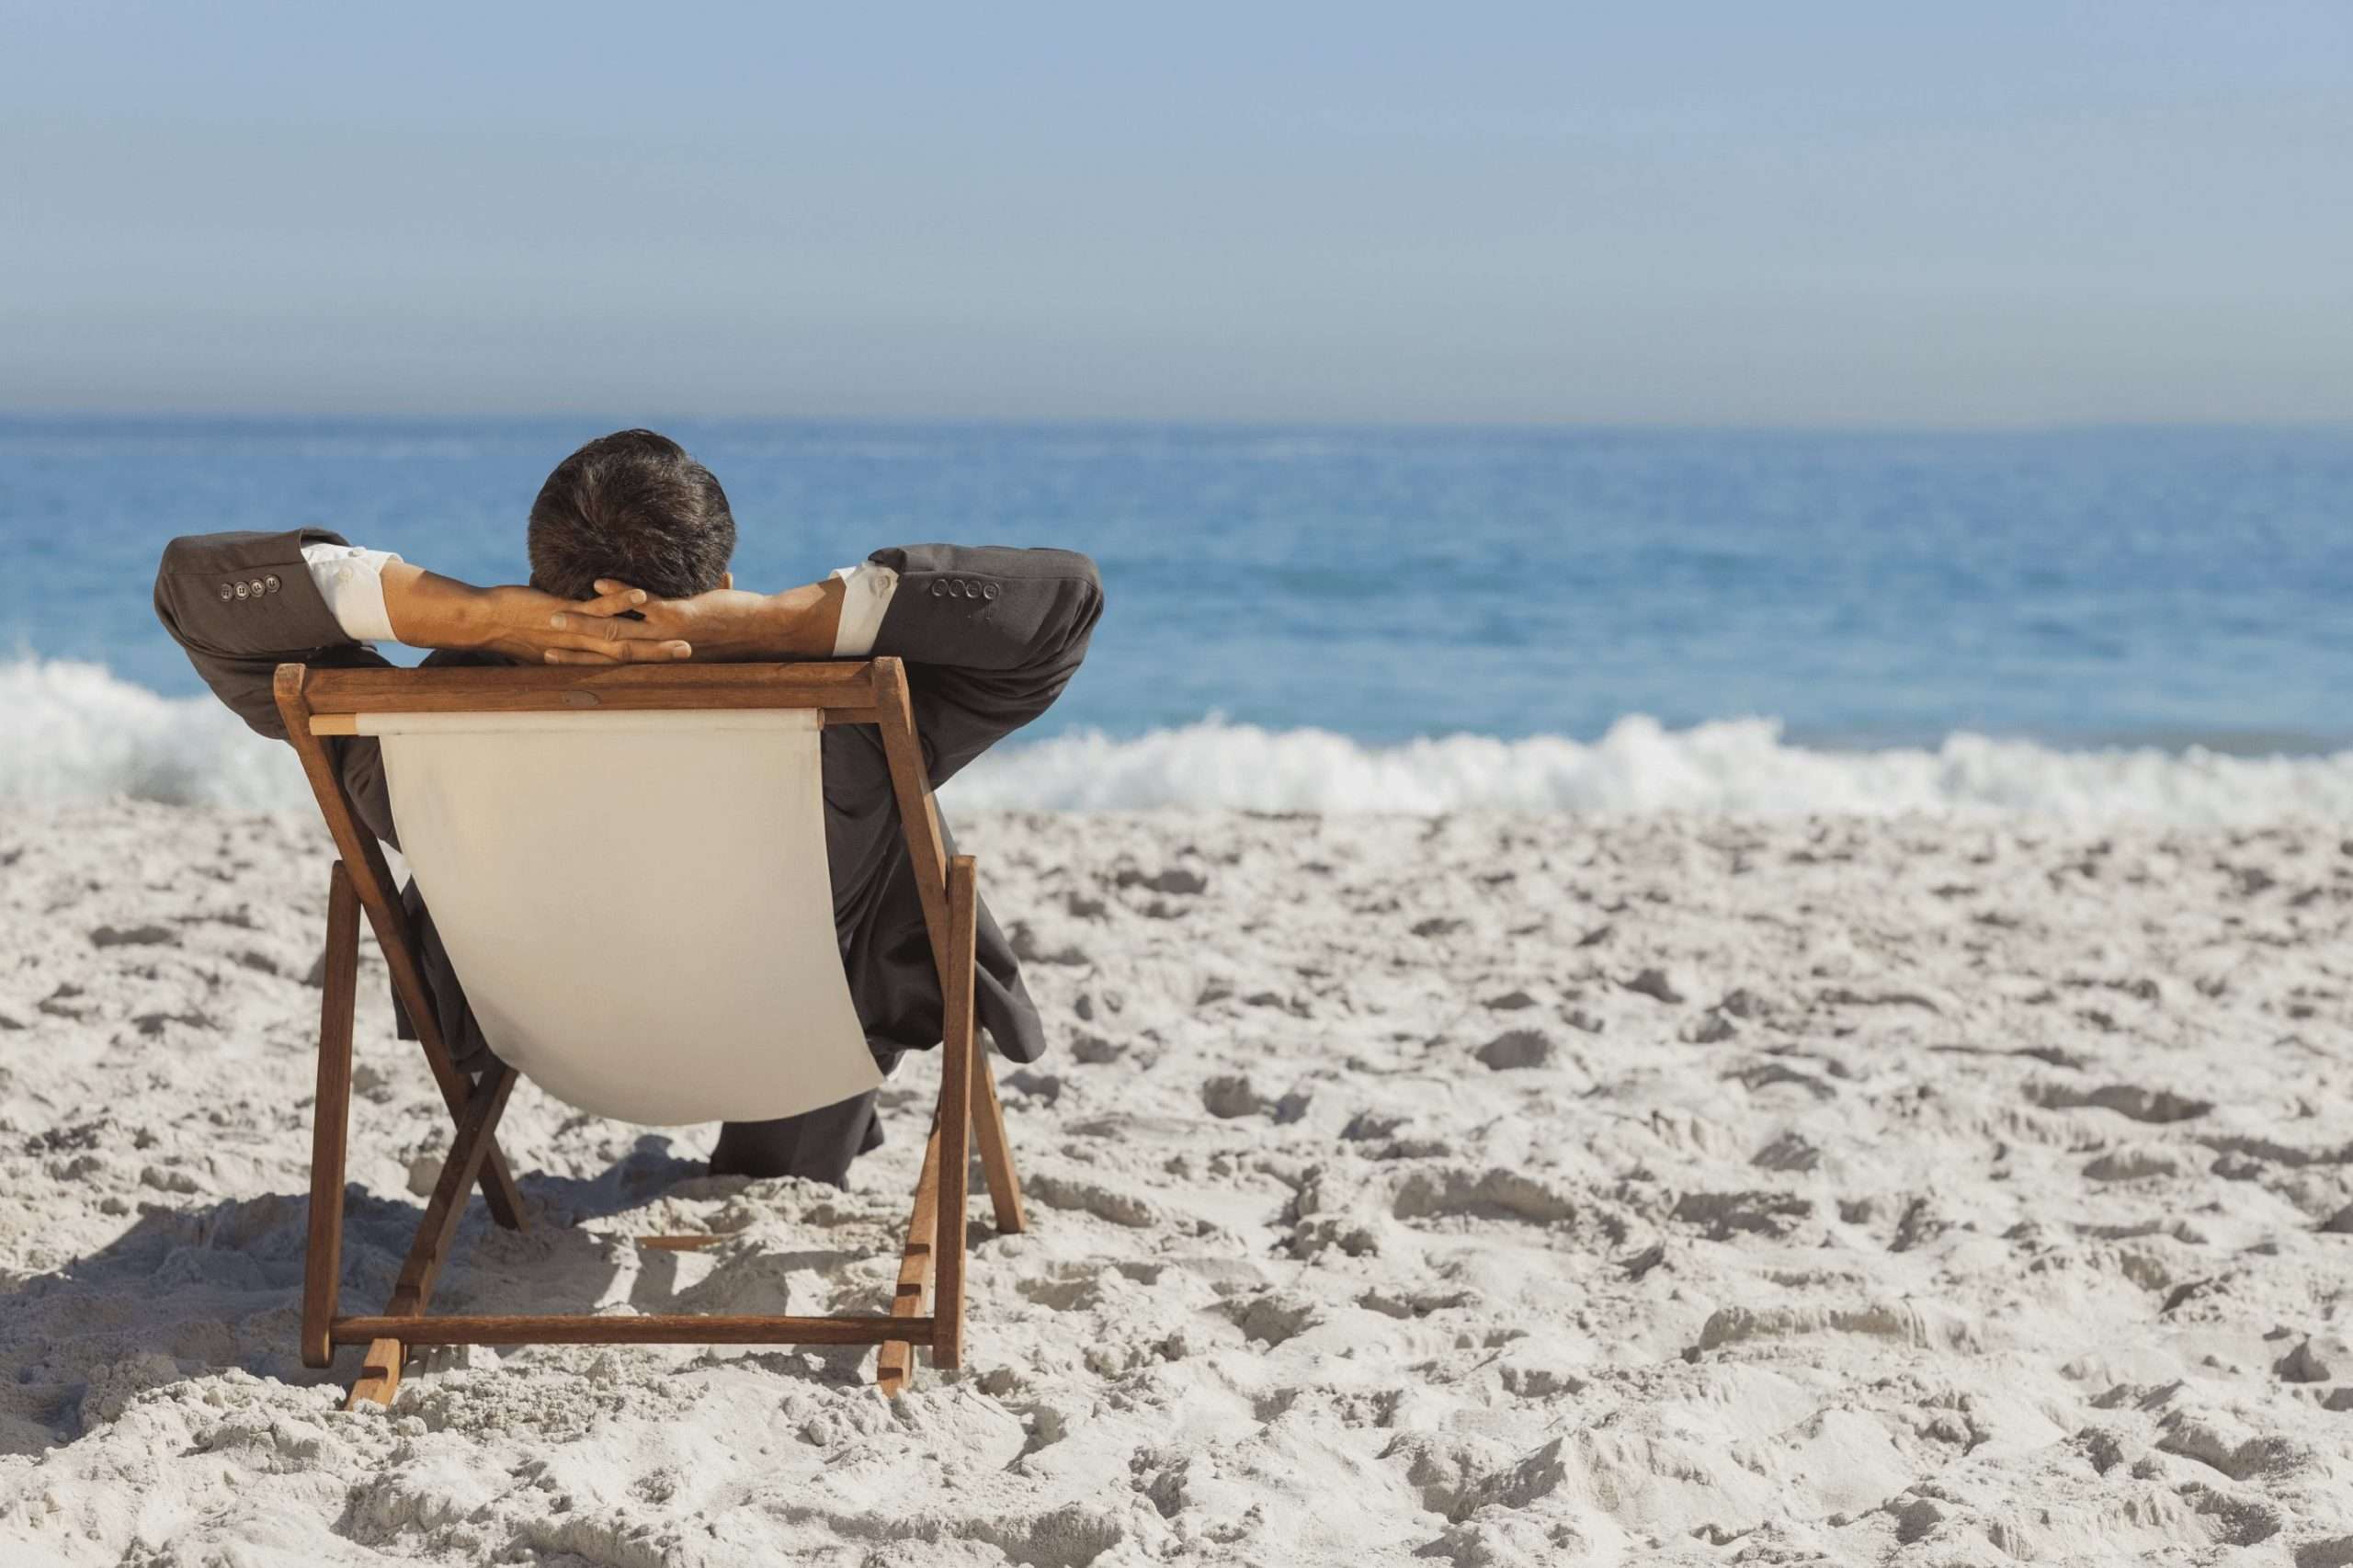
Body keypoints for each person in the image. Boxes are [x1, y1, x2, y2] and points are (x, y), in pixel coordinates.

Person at [154, 428, 1103, 1187]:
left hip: (541, 1034)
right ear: (720, 588)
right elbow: (1060, 603)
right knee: (893, 849)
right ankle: (786, 1161)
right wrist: (783, 621)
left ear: (534, 579)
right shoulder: (847, 731)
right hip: (793, 1038)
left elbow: (199, 594)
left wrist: (477, 614)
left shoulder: (408, 735)